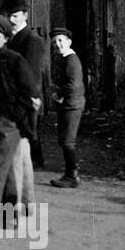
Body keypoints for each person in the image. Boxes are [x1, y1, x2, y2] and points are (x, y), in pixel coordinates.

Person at [0, 14, 38, 207]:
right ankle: (9, 213)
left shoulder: (14, 60)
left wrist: (15, 114)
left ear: (5, 38)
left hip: (8, 123)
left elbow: (31, 94)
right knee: (9, 167)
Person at [0, 0, 48, 179]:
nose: (11, 19)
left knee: (28, 132)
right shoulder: (10, 38)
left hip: (25, 97)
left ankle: (34, 166)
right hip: (13, 95)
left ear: (25, 16)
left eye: (15, 15)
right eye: (9, 15)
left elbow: (33, 75)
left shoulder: (32, 40)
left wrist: (27, 99)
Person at [49, 27, 85, 188]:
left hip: (72, 104)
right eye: (55, 42)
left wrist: (58, 94)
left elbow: (73, 84)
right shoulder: (64, 58)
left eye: (60, 40)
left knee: (67, 141)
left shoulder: (71, 59)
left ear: (69, 42)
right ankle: (69, 174)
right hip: (68, 104)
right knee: (64, 140)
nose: (57, 44)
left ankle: (72, 176)